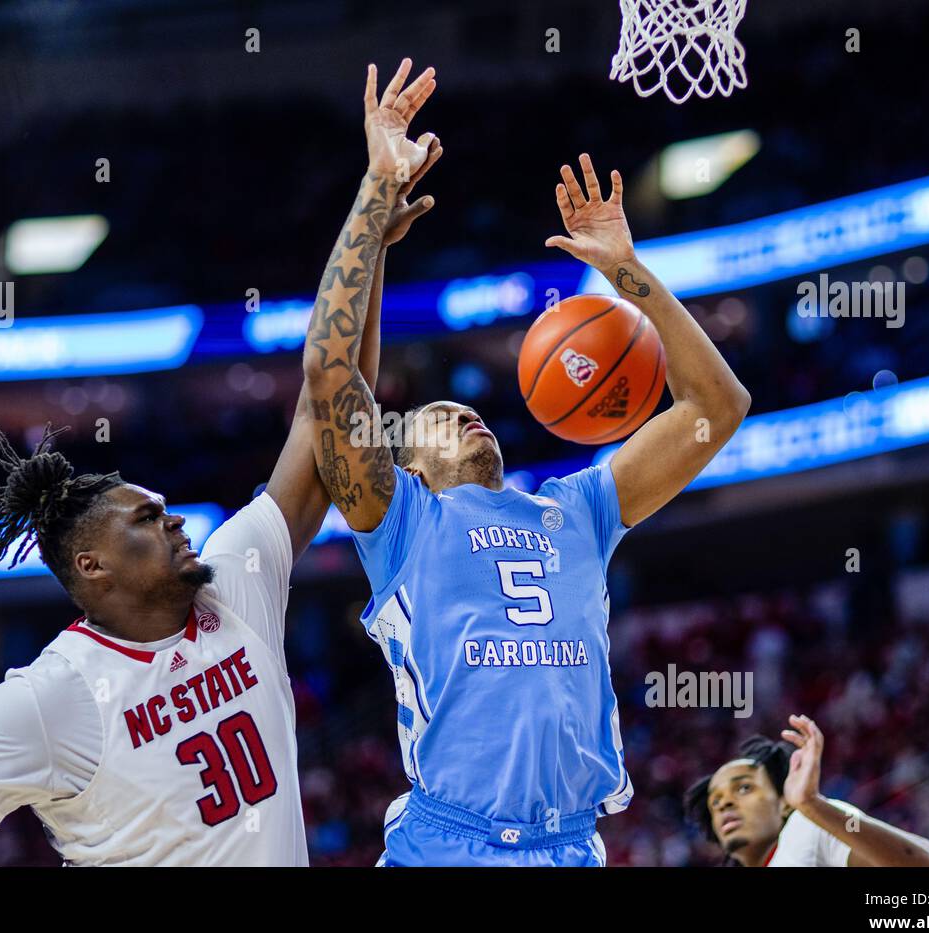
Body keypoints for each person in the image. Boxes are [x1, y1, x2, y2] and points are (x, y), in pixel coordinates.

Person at [0, 114, 442, 865]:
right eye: (148, 518)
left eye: (167, 511)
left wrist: (368, 228)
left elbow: (332, 406)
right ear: (93, 566)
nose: (175, 524)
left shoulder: (236, 576)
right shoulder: (51, 695)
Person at [300, 57, 751, 865]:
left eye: (468, 410)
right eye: (438, 418)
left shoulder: (576, 508)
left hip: (571, 845)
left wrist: (627, 276)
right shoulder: (403, 520)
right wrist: (372, 199)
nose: (466, 415)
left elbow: (717, 410)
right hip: (447, 844)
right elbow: (333, 380)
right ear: (403, 464)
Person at [684, 715, 929, 866]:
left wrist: (813, 805)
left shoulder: (809, 828)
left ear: (784, 802)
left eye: (743, 788)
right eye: (715, 801)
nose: (724, 804)